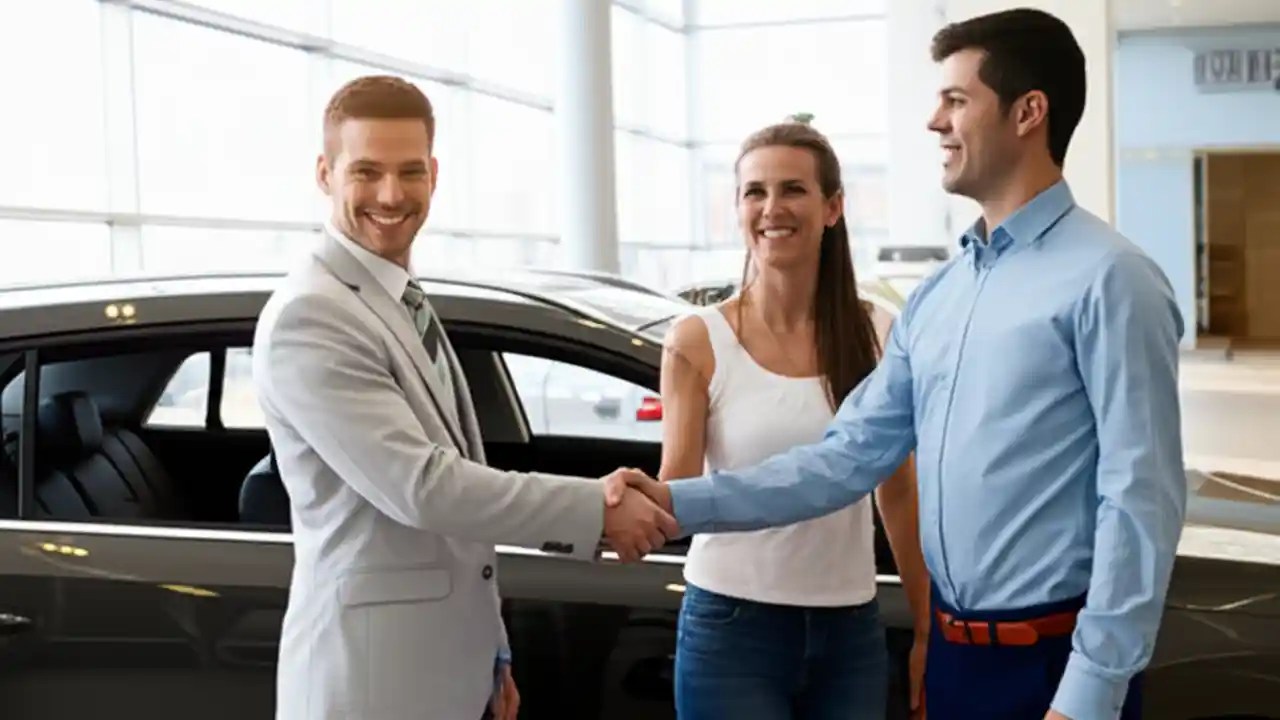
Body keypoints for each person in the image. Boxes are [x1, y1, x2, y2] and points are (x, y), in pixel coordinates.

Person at [609, 9, 1185, 720]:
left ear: (1029, 112)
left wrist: (1090, 695)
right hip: (956, 663)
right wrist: (676, 500)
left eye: (956, 100)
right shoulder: (940, 297)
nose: (933, 122)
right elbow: (846, 459)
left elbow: (1141, 500)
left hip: (1056, 670)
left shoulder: (1112, 278)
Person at [251, 75, 676, 720]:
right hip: (372, 686)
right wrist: (596, 509)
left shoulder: (398, 295)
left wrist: (491, 653)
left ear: (435, 174)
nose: (391, 196)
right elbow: (425, 487)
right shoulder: (313, 314)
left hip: (436, 671)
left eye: (409, 172)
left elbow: (456, 520)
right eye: (366, 171)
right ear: (324, 173)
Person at [658, 121, 931, 719]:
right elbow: (676, 493)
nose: (771, 208)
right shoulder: (696, 341)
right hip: (732, 627)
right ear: (737, 208)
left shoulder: (878, 334)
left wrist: (926, 627)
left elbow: (900, 492)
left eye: (793, 190)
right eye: (754, 192)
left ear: (833, 207)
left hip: (850, 628)